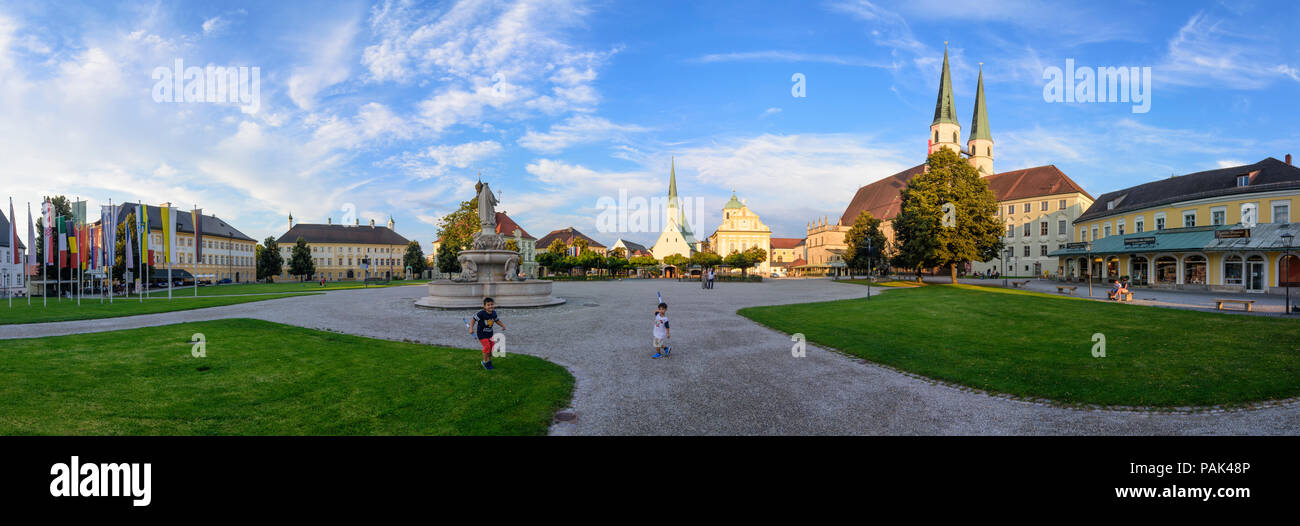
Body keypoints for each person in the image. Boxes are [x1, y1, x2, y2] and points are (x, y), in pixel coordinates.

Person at [470, 297, 505, 370]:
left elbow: (496, 320)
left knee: (492, 350)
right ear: (484, 306)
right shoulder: (481, 313)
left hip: (490, 334)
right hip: (482, 334)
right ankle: (485, 362)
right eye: (488, 305)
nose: (490, 306)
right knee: (487, 347)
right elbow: (473, 319)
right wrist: (471, 328)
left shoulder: (494, 313)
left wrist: (502, 325)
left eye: (492, 304)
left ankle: (488, 361)